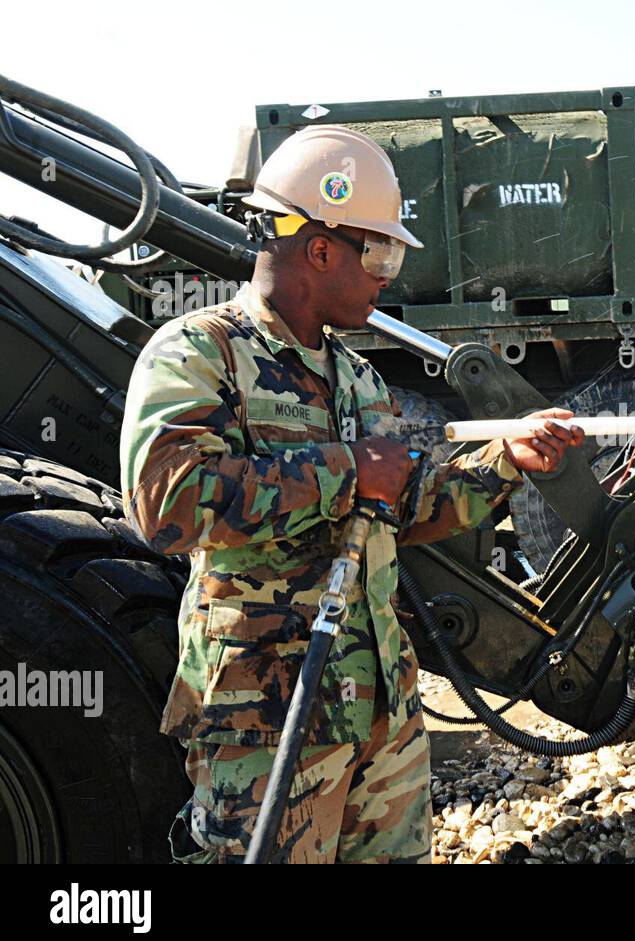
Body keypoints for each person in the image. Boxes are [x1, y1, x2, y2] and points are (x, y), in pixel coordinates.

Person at [119, 124, 583, 863]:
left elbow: (401, 506)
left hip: (379, 716)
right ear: (320, 246)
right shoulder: (201, 352)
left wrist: (505, 461)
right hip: (267, 718)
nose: (388, 273)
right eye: (381, 250)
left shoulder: (356, 376)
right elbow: (162, 503)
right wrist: (344, 470)